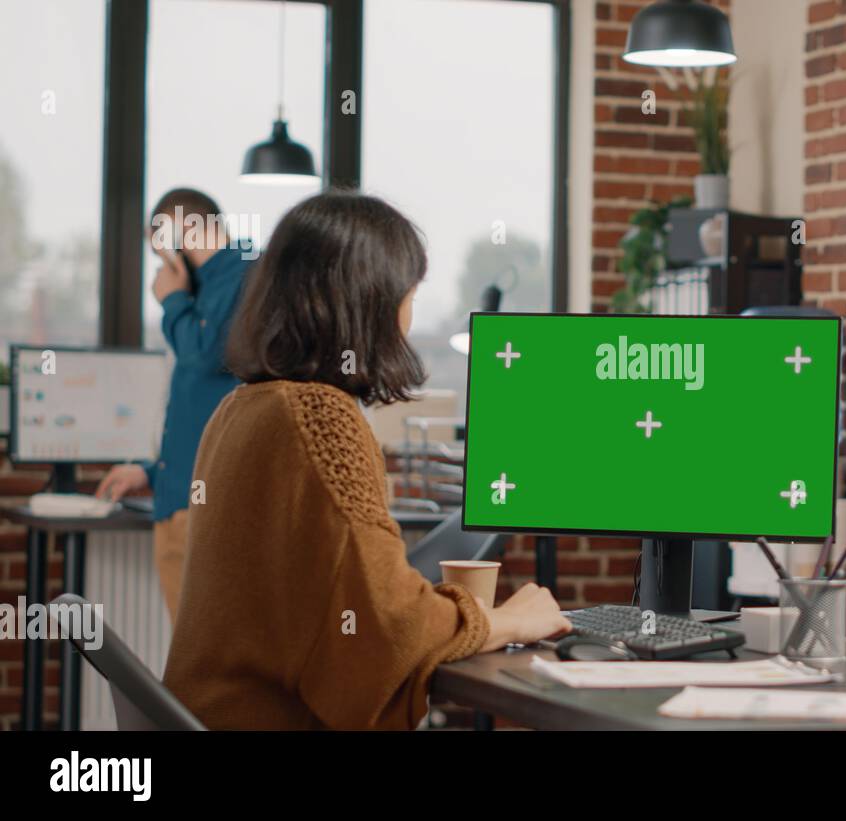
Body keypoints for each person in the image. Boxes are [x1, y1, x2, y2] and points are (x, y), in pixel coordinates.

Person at [162, 191, 570, 730]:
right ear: (370, 300)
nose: (407, 317)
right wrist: (507, 620)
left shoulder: (240, 406)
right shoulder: (319, 415)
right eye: (409, 294)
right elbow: (386, 625)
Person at [96, 188, 251, 621]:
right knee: (190, 665)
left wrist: (172, 299)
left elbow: (205, 357)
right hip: (181, 503)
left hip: (209, 511)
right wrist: (149, 472)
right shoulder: (203, 291)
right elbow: (199, 407)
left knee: (205, 665)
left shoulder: (244, 276)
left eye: (162, 249)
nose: (164, 266)